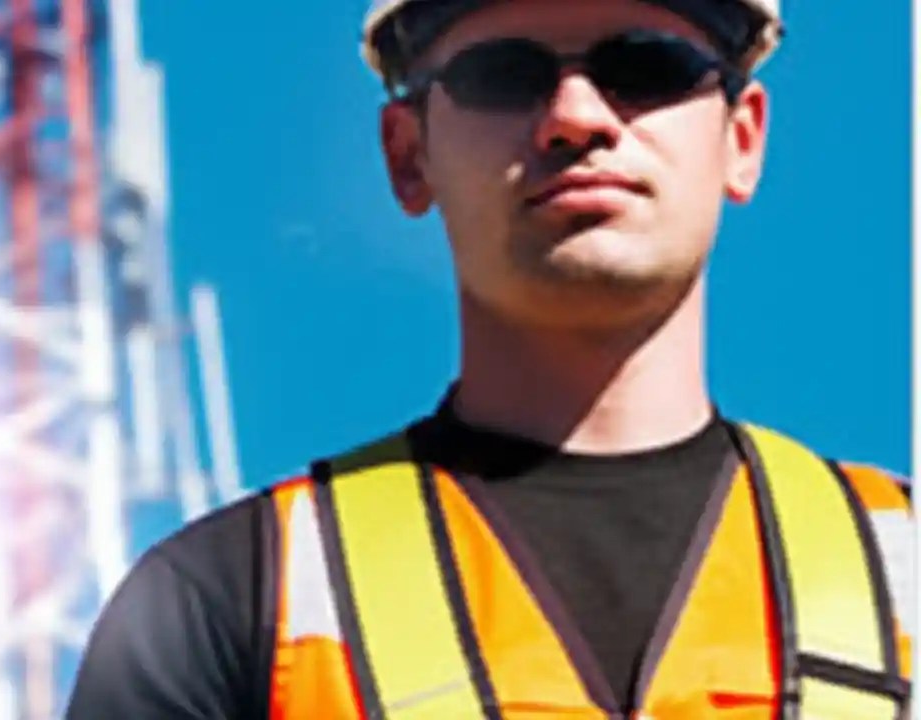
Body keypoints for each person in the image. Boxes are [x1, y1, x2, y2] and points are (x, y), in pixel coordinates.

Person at [65, 0, 914, 717]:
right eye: (502, 74)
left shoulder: (900, 565)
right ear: (407, 154)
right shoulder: (229, 608)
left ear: (742, 138)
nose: (577, 118)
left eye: (647, 67)